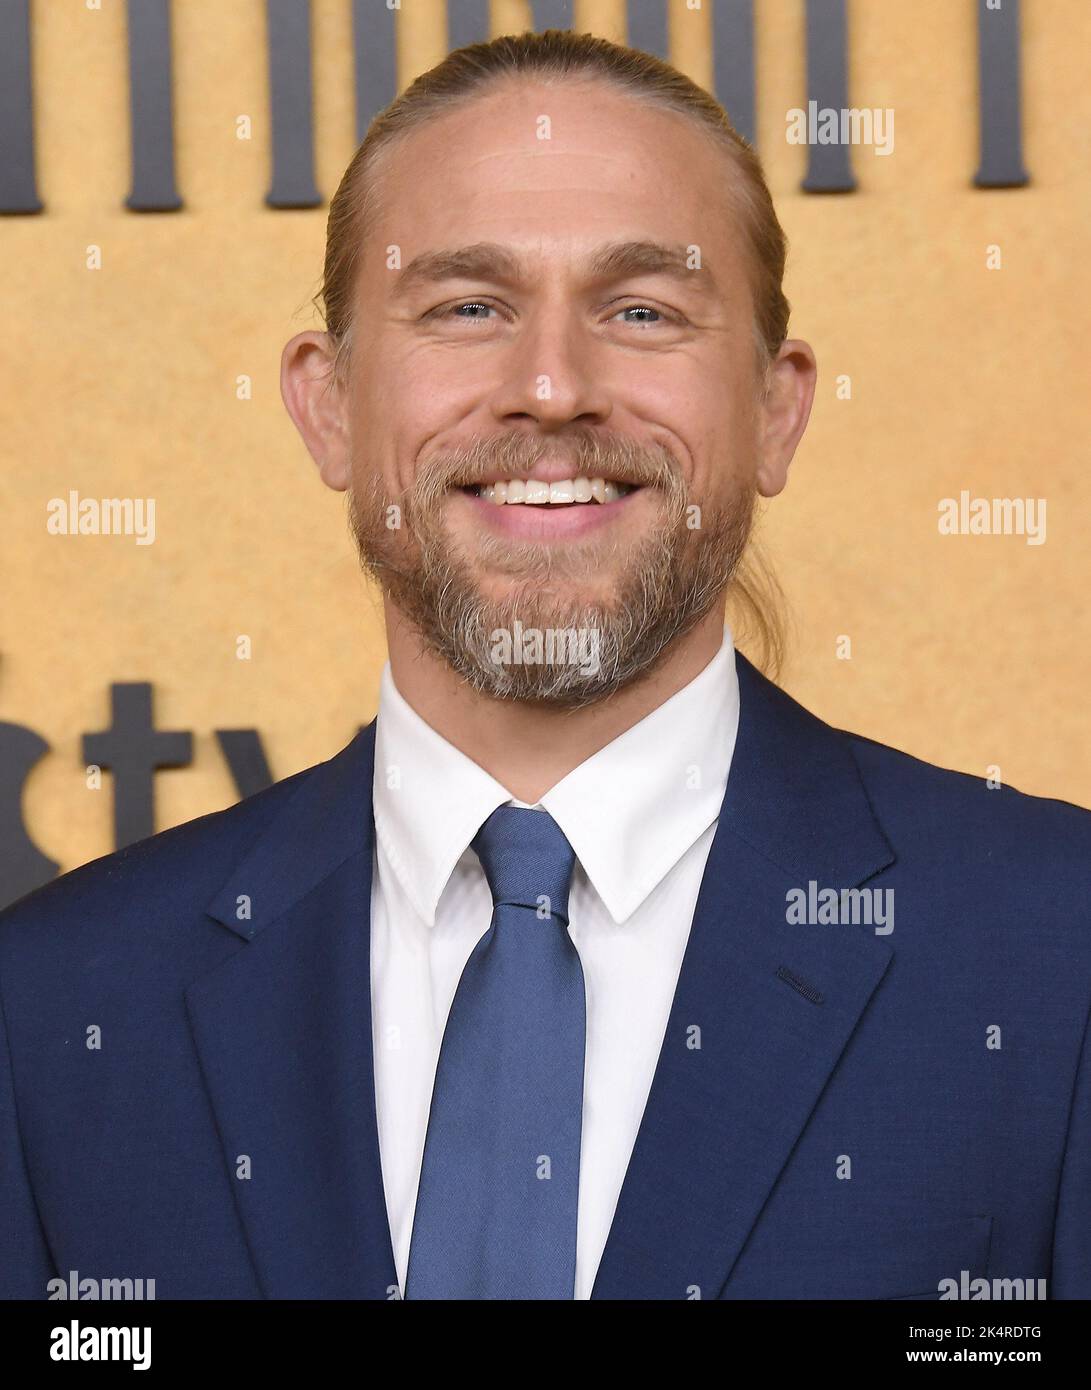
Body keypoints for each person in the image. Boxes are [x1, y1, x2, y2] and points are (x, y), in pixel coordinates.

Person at [1, 29, 1088, 1302]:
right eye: (468, 306)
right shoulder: (57, 1007)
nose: (552, 386)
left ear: (775, 408)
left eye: (640, 310)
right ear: (329, 404)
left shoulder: (1051, 951)